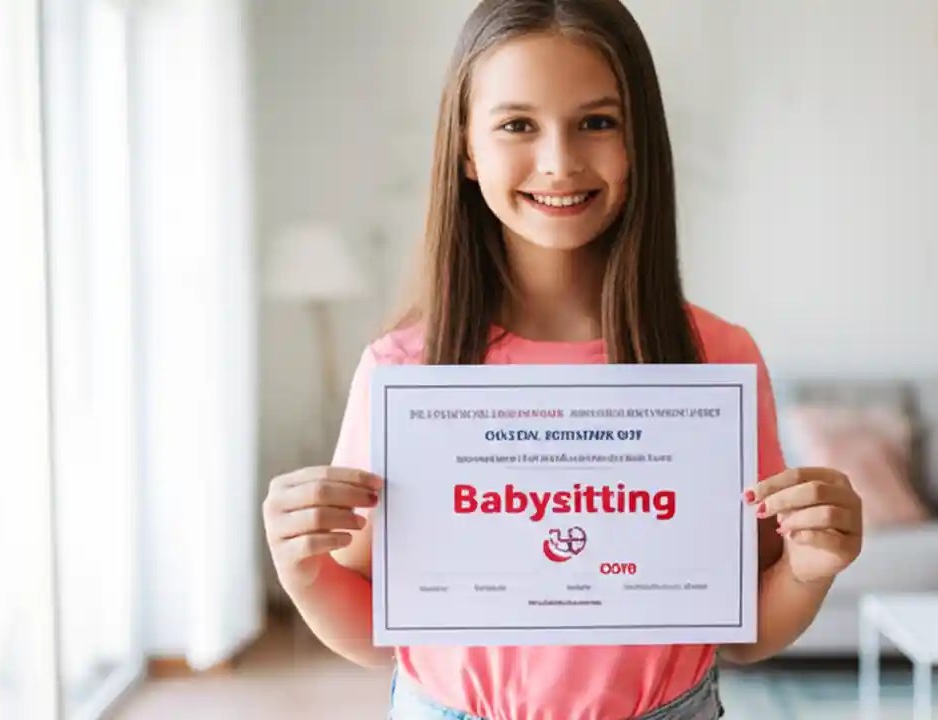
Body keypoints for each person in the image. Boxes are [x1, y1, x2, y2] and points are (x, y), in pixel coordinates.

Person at [261, 1, 864, 718]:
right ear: (466, 148)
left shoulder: (717, 359)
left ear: (639, 140)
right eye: (518, 124)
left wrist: (811, 567)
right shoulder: (403, 369)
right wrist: (301, 571)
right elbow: (385, 633)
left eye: (597, 122)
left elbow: (745, 629)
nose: (559, 161)